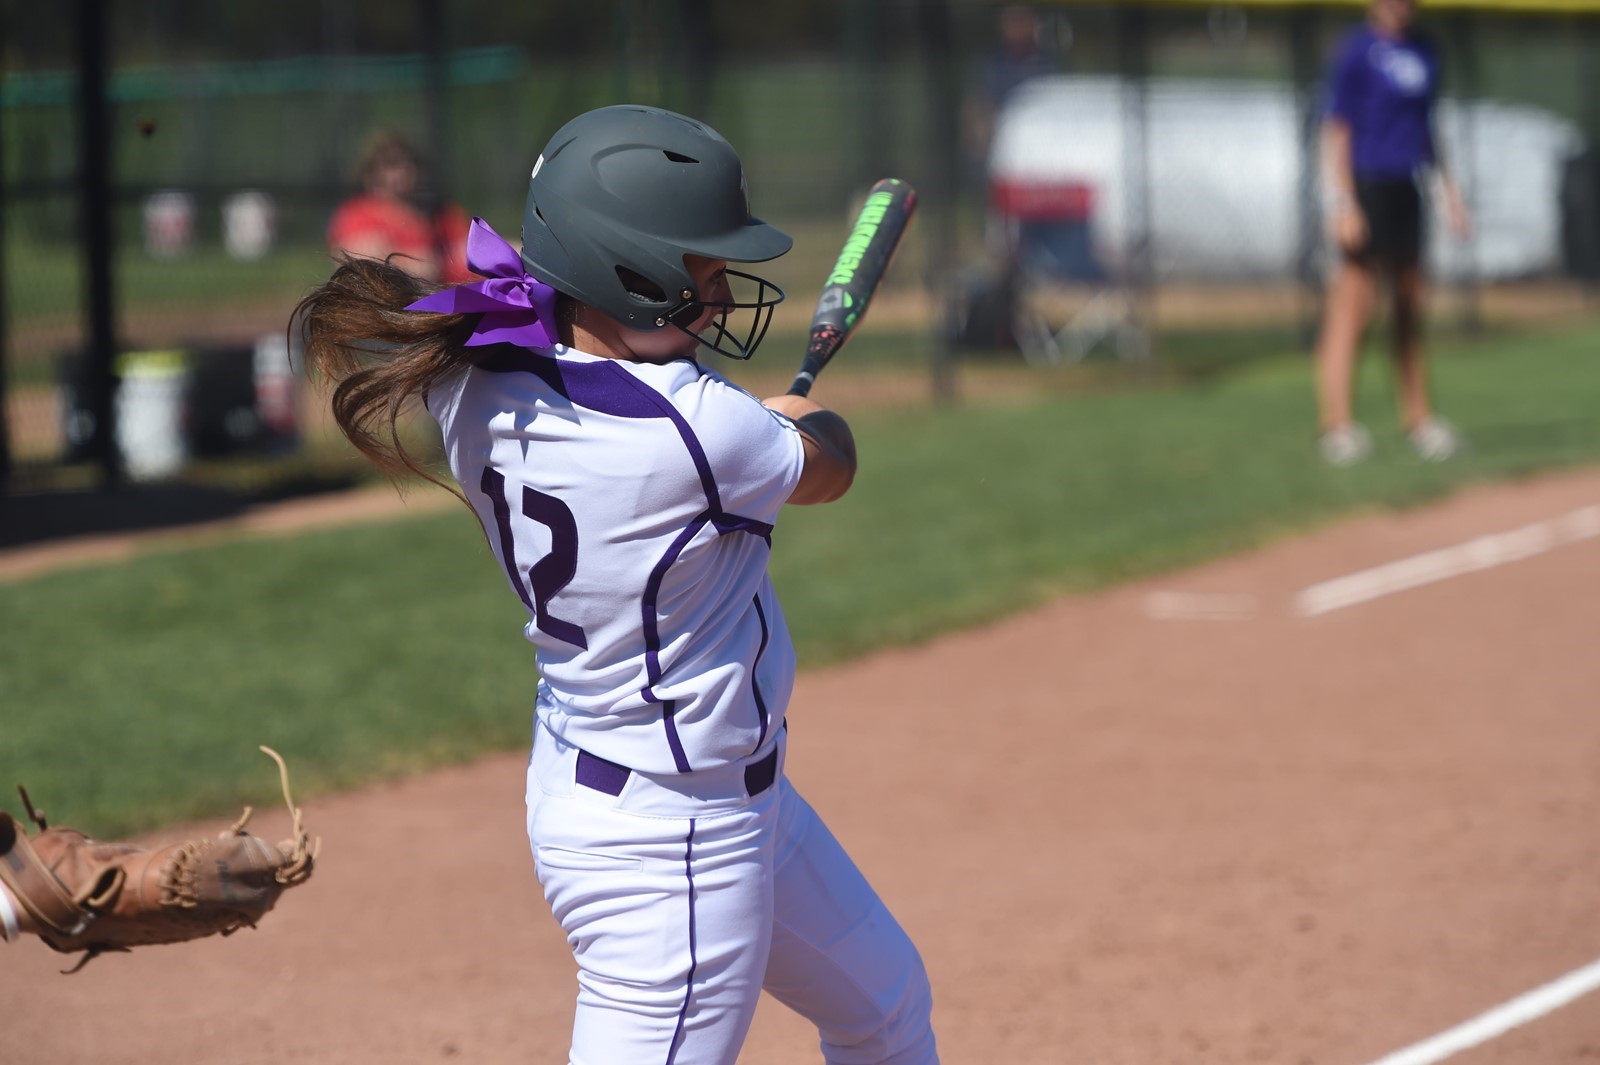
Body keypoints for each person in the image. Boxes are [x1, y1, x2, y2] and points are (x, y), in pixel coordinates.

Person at [294, 105, 939, 1065]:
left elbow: (538, 325)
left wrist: (770, 421)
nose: (719, 296)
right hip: (672, 840)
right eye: (701, 270)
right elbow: (830, 466)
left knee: (884, 1002)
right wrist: (802, 417)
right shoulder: (701, 431)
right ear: (625, 272)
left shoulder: (469, 371)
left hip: (650, 785)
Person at [1314, 0, 1471, 466]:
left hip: (1408, 184)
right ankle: (1337, 426)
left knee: (1408, 306)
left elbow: (1426, 127)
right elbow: (1337, 129)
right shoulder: (1356, 51)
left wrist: (1449, 192)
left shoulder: (1426, 49)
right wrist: (1343, 203)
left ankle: (1418, 420)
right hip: (1367, 184)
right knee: (1354, 305)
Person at [327, 129, 472, 284]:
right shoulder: (357, 215)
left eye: (409, 163)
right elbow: (364, 267)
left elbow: (472, 258)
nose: (403, 171)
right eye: (392, 164)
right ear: (371, 172)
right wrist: (425, 264)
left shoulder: (441, 214)